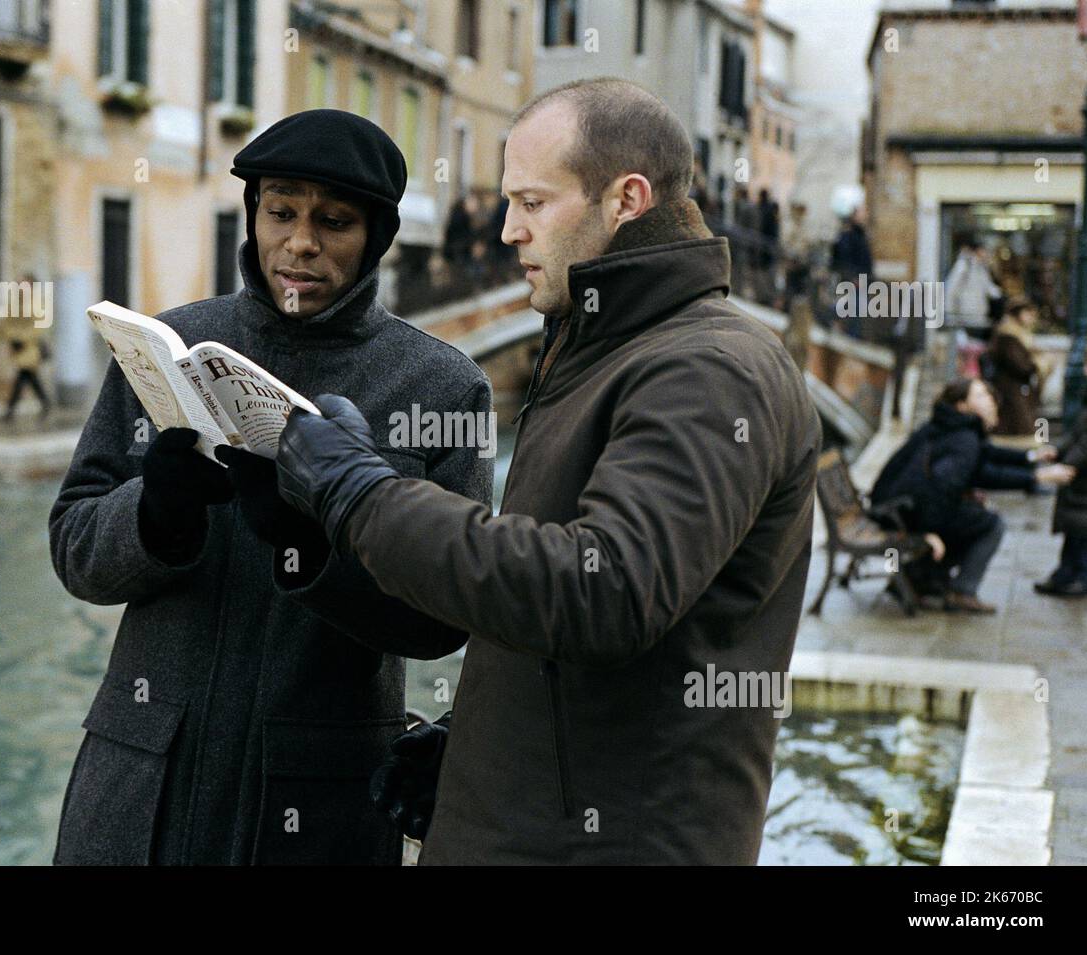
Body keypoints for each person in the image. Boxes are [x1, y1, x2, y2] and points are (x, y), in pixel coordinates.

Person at [273, 78, 822, 864]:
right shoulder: (599, 351)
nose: (507, 232)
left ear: (625, 199)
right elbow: (558, 623)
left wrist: (359, 493)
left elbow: (604, 590)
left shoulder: (707, 369)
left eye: (532, 203)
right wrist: (477, 753)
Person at [48, 109, 493, 865]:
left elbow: (445, 618)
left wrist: (318, 545)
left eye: (335, 221)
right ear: (253, 214)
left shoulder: (446, 388)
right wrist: (155, 516)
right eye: (280, 211)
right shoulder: (168, 342)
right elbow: (73, 548)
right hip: (137, 787)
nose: (301, 242)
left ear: (376, 238)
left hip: (318, 806)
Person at [871, 378, 1073, 613]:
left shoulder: (955, 427)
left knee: (972, 517)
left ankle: (919, 577)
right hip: (901, 511)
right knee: (990, 524)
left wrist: (1030, 459)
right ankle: (961, 591)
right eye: (980, 396)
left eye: (988, 394)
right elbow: (942, 486)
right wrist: (927, 533)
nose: (990, 400)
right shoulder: (963, 439)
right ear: (962, 405)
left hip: (895, 504)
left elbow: (985, 458)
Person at [1036, 348, 1087, 596]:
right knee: (1075, 528)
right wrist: (1056, 451)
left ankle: (1083, 576)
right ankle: (1066, 572)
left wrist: (1070, 463)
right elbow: (1078, 433)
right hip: (1082, 478)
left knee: (1084, 529)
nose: (1086, 371)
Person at [987, 298, 1052, 436]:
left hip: (1017, 389)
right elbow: (1019, 364)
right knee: (1019, 428)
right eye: (1028, 313)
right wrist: (1037, 364)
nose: (1032, 318)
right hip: (1011, 390)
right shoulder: (1008, 336)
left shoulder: (1022, 335)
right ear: (1018, 314)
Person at [944, 238, 1001, 339]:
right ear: (978, 250)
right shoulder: (964, 265)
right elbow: (951, 289)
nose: (987, 253)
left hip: (979, 316)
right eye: (985, 250)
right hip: (966, 317)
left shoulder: (981, 267)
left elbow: (991, 290)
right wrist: (950, 315)